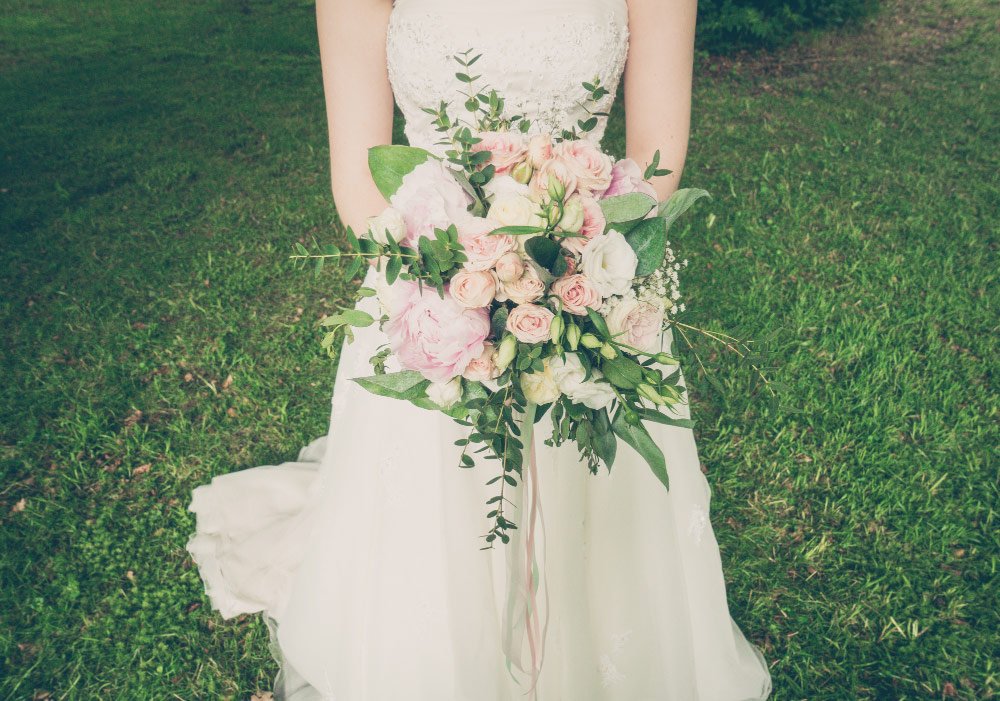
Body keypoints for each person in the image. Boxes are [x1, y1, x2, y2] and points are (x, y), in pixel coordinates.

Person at [185, 0, 773, 698]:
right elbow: (357, 178)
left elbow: (657, 158)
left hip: (586, 276)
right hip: (429, 281)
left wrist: (568, 266)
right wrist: (459, 288)